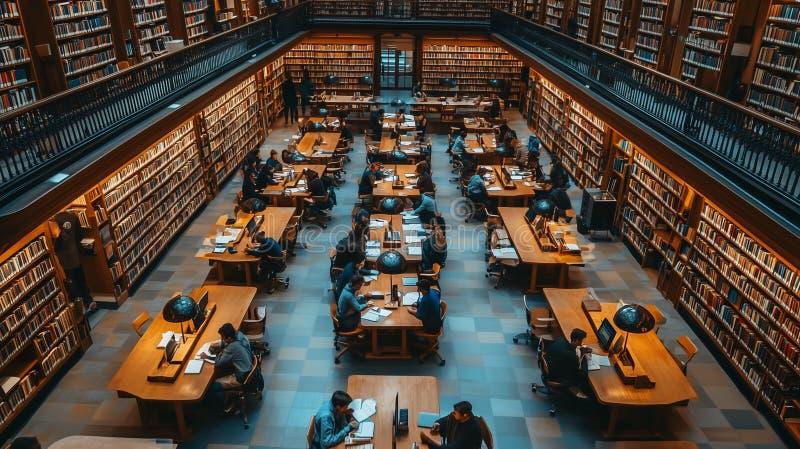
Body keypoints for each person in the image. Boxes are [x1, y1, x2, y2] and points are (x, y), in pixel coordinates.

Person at [201, 322, 253, 412]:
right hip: (248, 368)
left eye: (223, 338)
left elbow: (218, 363)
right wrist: (220, 345)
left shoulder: (232, 347)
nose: (221, 339)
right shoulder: (239, 335)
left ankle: (224, 407)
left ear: (229, 338)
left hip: (241, 376)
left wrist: (210, 355)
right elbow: (227, 343)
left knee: (212, 386)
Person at [545, 328, 591, 398]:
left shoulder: (561, 340)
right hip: (555, 377)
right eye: (581, 341)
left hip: (549, 367)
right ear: (576, 340)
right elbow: (582, 375)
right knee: (584, 381)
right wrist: (583, 356)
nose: (581, 343)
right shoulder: (572, 356)